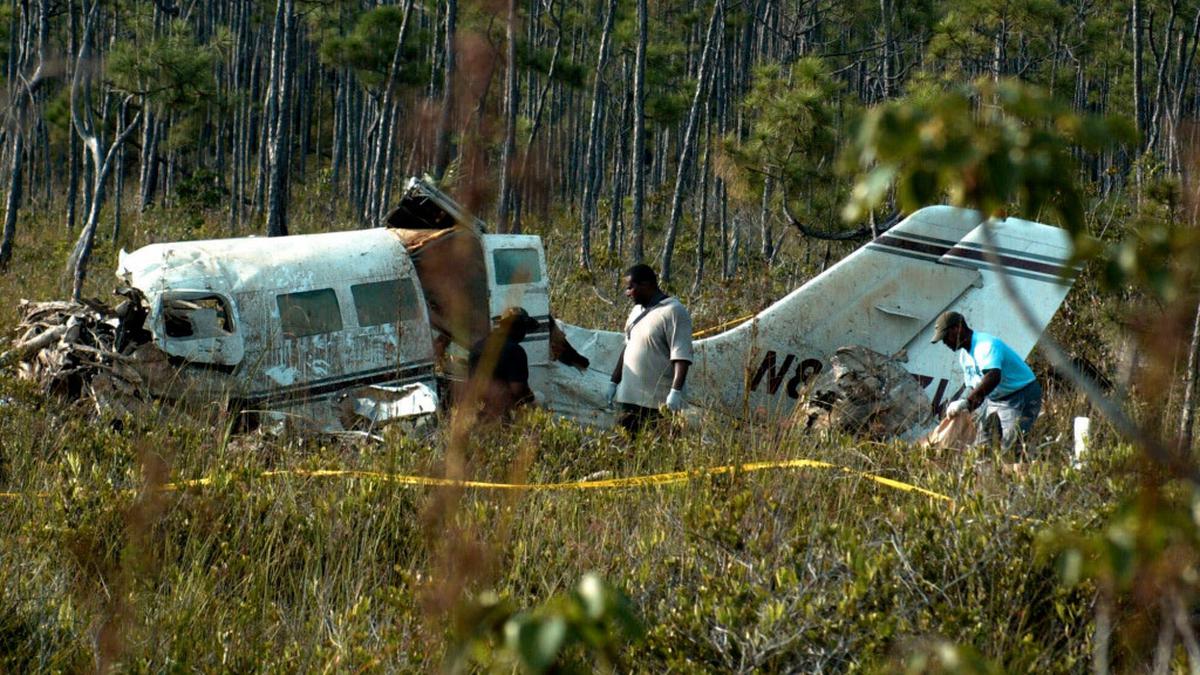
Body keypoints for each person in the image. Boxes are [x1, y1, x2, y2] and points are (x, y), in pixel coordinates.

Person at [931, 310, 1043, 452]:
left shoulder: (985, 345)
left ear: (957, 329)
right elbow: (976, 387)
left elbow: (993, 376)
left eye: (946, 337)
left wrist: (968, 402)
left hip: (1021, 396)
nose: (945, 342)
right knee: (982, 448)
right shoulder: (964, 357)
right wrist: (965, 408)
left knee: (1011, 447)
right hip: (996, 400)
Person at [607, 264, 693, 434]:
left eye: (631, 287)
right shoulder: (635, 311)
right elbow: (628, 347)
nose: (627, 292)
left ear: (646, 285)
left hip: (658, 403)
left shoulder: (674, 311)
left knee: (661, 452)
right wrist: (613, 382)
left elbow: (682, 356)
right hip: (629, 399)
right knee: (626, 451)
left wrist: (675, 392)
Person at [467, 306, 539, 421]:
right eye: (523, 328)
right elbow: (518, 390)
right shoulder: (515, 350)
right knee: (539, 401)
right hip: (501, 412)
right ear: (520, 328)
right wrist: (532, 398)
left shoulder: (478, 346)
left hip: (476, 410)